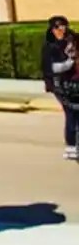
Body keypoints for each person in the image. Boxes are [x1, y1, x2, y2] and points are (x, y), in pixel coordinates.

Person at [41, 15, 78, 160]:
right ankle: (70, 146)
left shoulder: (71, 40)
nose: (61, 29)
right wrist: (70, 62)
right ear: (51, 29)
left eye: (63, 25)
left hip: (73, 85)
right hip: (58, 86)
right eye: (57, 27)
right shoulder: (49, 47)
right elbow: (52, 68)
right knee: (71, 114)